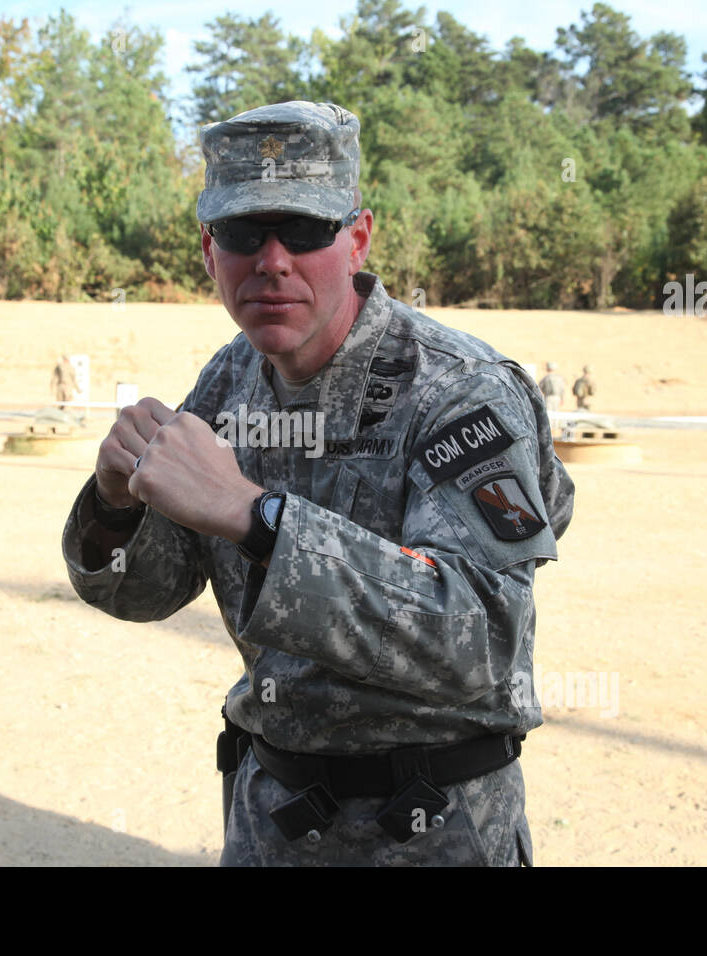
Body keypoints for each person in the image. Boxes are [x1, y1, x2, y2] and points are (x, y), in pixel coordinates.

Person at [61, 101, 575, 866]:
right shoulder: (230, 380)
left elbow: (485, 638)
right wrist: (113, 507)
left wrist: (256, 516)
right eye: (243, 234)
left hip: (432, 833)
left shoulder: (458, 390)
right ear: (209, 250)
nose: (272, 261)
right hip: (271, 822)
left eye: (303, 231)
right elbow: (143, 592)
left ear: (358, 238)